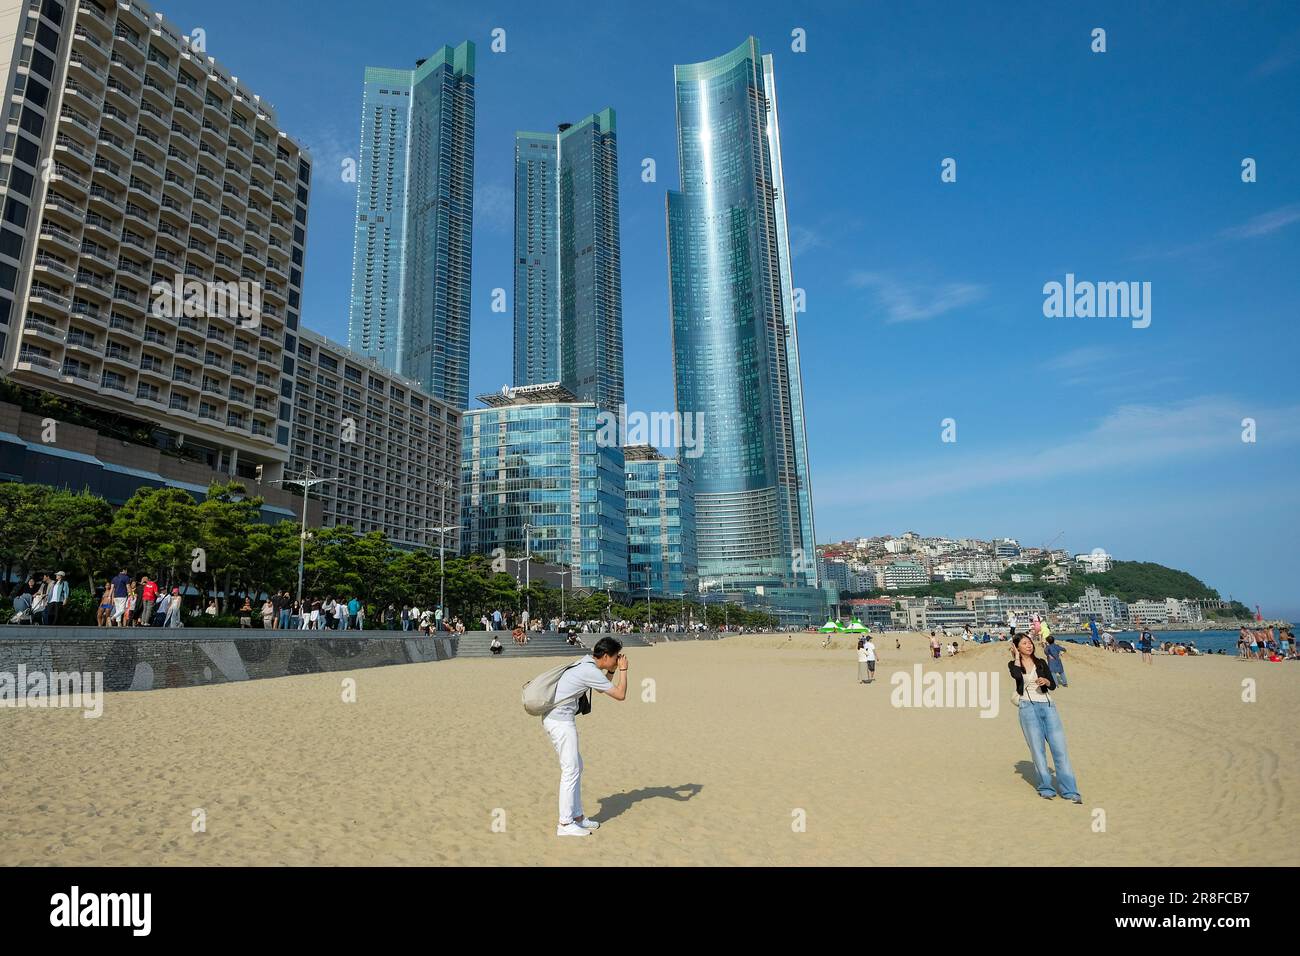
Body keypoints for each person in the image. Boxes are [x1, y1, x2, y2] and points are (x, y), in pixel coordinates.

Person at [541, 637, 628, 837]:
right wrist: (623, 670)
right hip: (559, 721)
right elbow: (620, 695)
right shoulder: (589, 669)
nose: (617, 660)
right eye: (615, 658)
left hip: (558, 719)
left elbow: (600, 687)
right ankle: (564, 824)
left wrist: (613, 670)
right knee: (570, 770)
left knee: (576, 766)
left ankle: (578, 817)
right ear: (605, 656)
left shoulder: (586, 662)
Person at [1008, 634, 1081, 802]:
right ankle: (1046, 788)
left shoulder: (1041, 662)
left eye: (1030, 642)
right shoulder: (1013, 664)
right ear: (1017, 647)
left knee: (1060, 750)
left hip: (1048, 707)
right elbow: (1017, 676)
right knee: (1038, 751)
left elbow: (1053, 686)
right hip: (1027, 708)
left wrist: (1046, 681)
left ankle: (1070, 791)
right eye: (1024, 643)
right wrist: (1017, 657)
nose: (1029, 645)